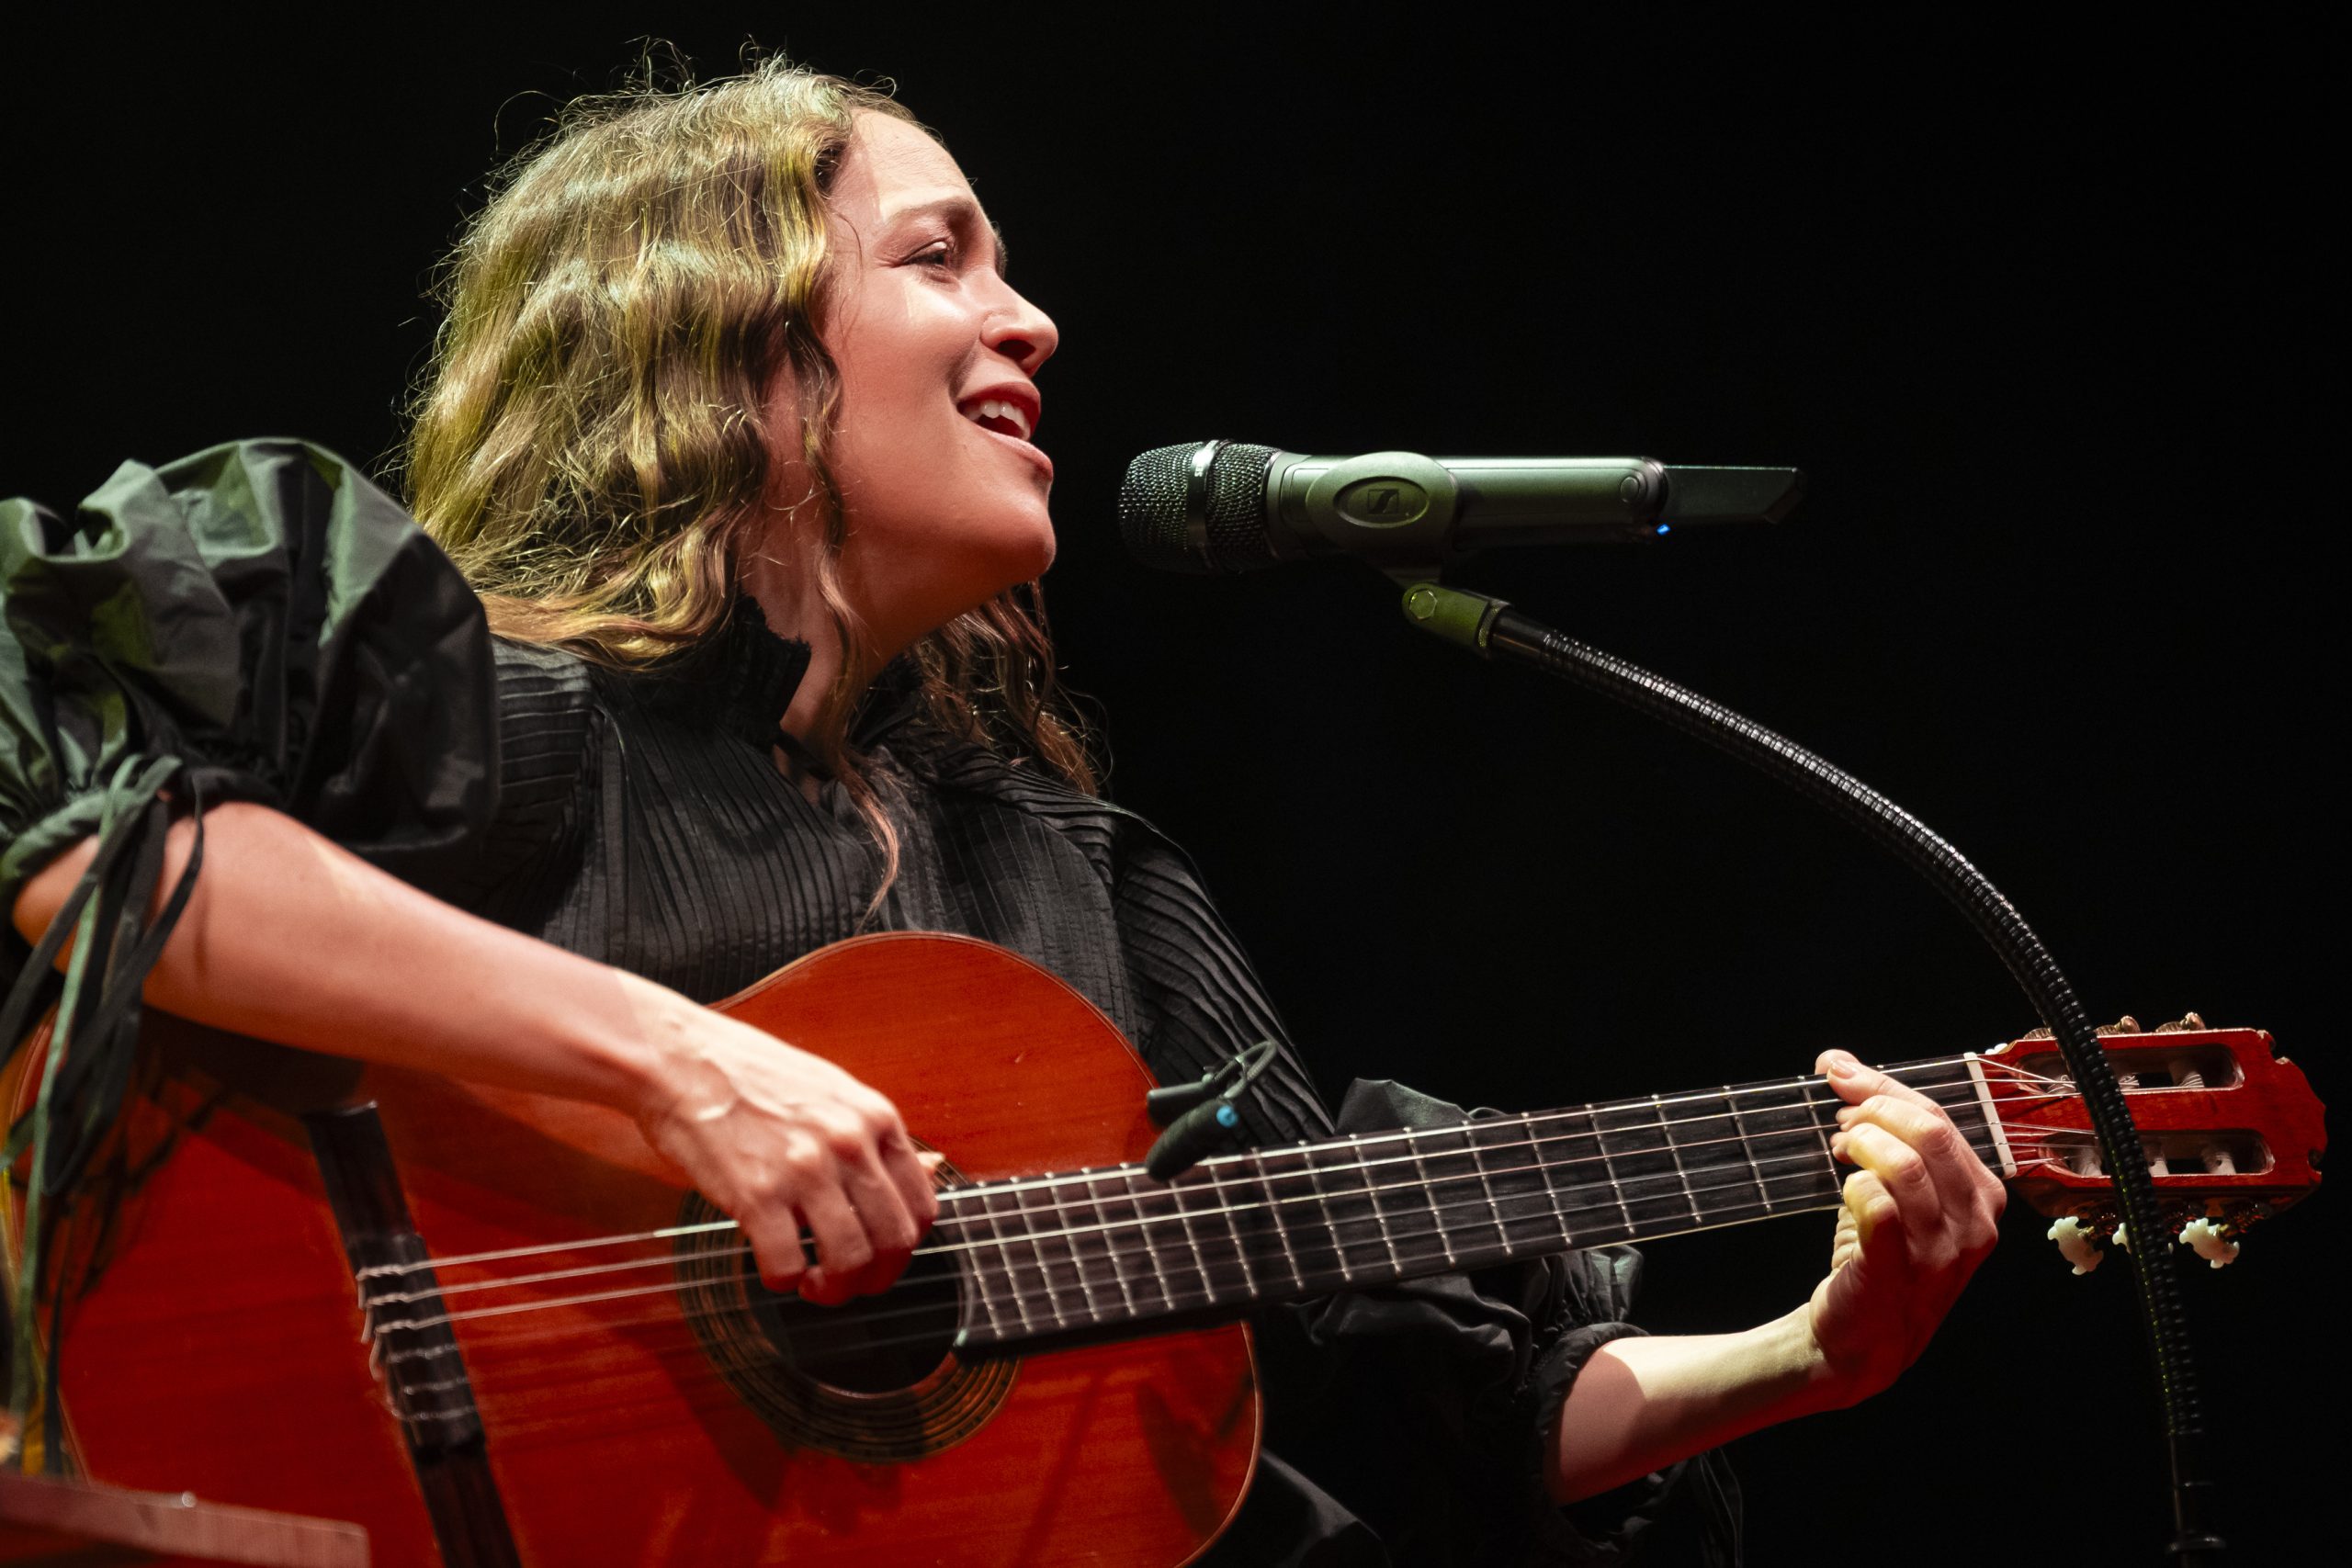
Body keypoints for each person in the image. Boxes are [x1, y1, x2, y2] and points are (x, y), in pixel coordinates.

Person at [0, 60, 2002, 1565]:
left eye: (1010, 267)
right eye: (937, 257)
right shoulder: (472, 719)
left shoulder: (1070, 882)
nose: (1031, 322)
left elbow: (1371, 1374)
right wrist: (682, 1066)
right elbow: (68, 815)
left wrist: (1806, 1353)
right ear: (717, 333)